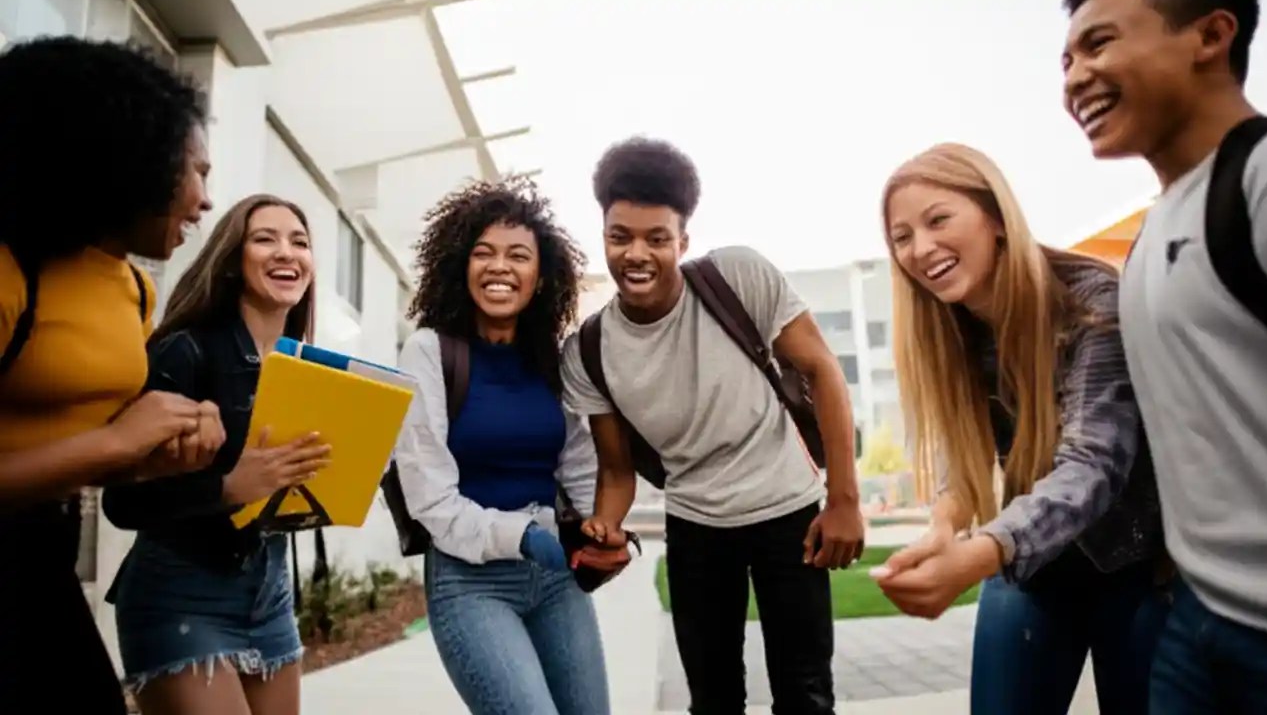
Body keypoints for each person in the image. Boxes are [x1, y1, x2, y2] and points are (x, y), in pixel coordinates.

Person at [564, 137, 863, 715]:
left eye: (657, 238)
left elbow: (823, 370)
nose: (637, 255)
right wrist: (603, 527)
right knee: (713, 700)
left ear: (683, 240)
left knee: (806, 698)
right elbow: (617, 470)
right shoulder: (590, 351)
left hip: (789, 515)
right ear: (603, 235)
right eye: (619, 237)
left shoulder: (737, 276)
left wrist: (844, 500)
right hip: (697, 531)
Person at [870, 143, 1168, 715]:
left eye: (938, 220)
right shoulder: (950, 329)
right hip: (1035, 563)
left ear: (996, 218)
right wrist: (944, 526)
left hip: (1139, 565)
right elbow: (965, 453)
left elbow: (1093, 464)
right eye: (902, 236)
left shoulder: (1091, 301)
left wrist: (981, 552)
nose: (921, 248)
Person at [1062, 0, 1267, 711]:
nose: (1074, 77)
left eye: (1099, 45)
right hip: (1197, 623)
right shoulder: (1155, 229)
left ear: (1212, 34)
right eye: (1066, 60)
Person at [0, 37, 221, 713]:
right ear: (132, 159)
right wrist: (115, 447)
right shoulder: (13, 271)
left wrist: (155, 455)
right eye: (195, 172)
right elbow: (98, 445)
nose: (205, 200)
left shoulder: (135, 287)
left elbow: (76, 448)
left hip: (44, 557)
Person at [102, 194, 330, 715]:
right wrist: (228, 487)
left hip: (271, 600)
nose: (286, 253)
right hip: (180, 597)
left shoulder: (309, 371)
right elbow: (121, 499)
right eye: (264, 238)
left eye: (299, 242)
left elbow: (281, 489)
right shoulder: (185, 350)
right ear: (232, 260)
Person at [394, 177, 609, 715]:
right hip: (470, 582)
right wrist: (525, 537)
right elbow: (430, 498)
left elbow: (580, 465)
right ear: (460, 267)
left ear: (540, 277)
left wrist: (600, 529)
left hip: (556, 577)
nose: (499, 267)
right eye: (483, 253)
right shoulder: (428, 353)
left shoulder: (555, 360)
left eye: (518, 255)